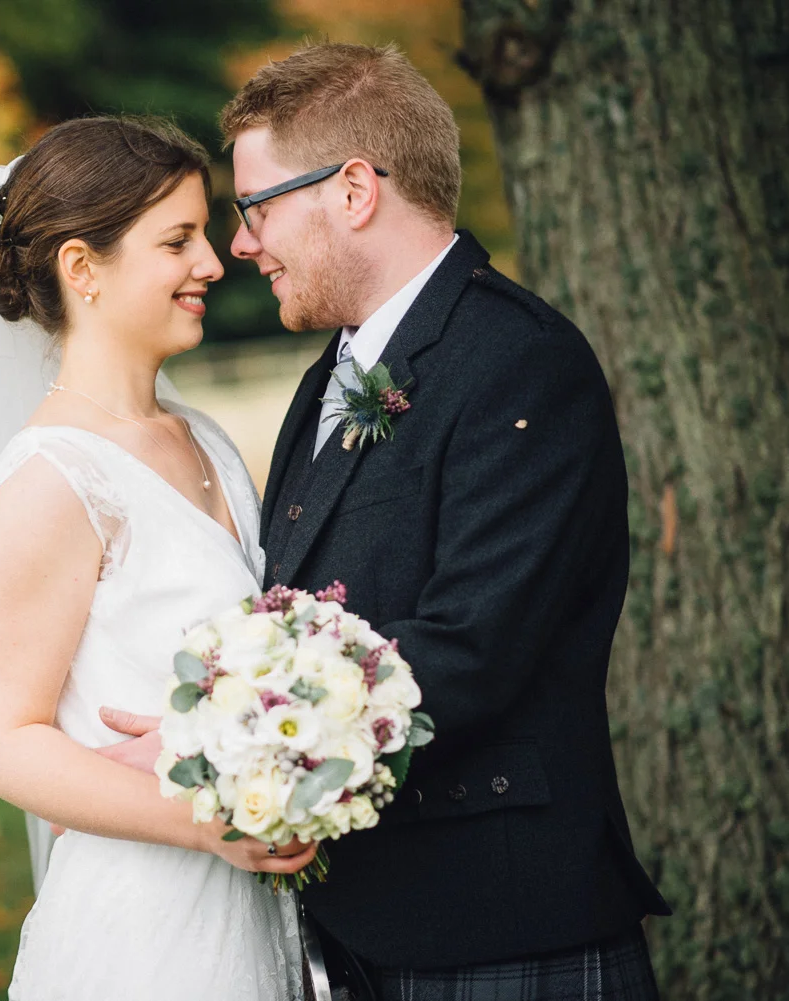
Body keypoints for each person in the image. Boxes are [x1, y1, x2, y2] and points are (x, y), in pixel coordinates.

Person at [97, 41, 673, 1000]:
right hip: (363, 925)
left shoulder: (519, 362)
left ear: (354, 189)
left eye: (259, 206)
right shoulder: (331, 376)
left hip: (497, 922)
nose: (242, 244)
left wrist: (222, 740)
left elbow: (472, 646)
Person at [0, 116, 308, 999]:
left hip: (256, 906)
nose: (213, 262)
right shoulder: (50, 476)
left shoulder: (206, 441)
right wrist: (204, 821)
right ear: (82, 268)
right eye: (177, 240)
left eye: (204, 233)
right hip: (146, 935)